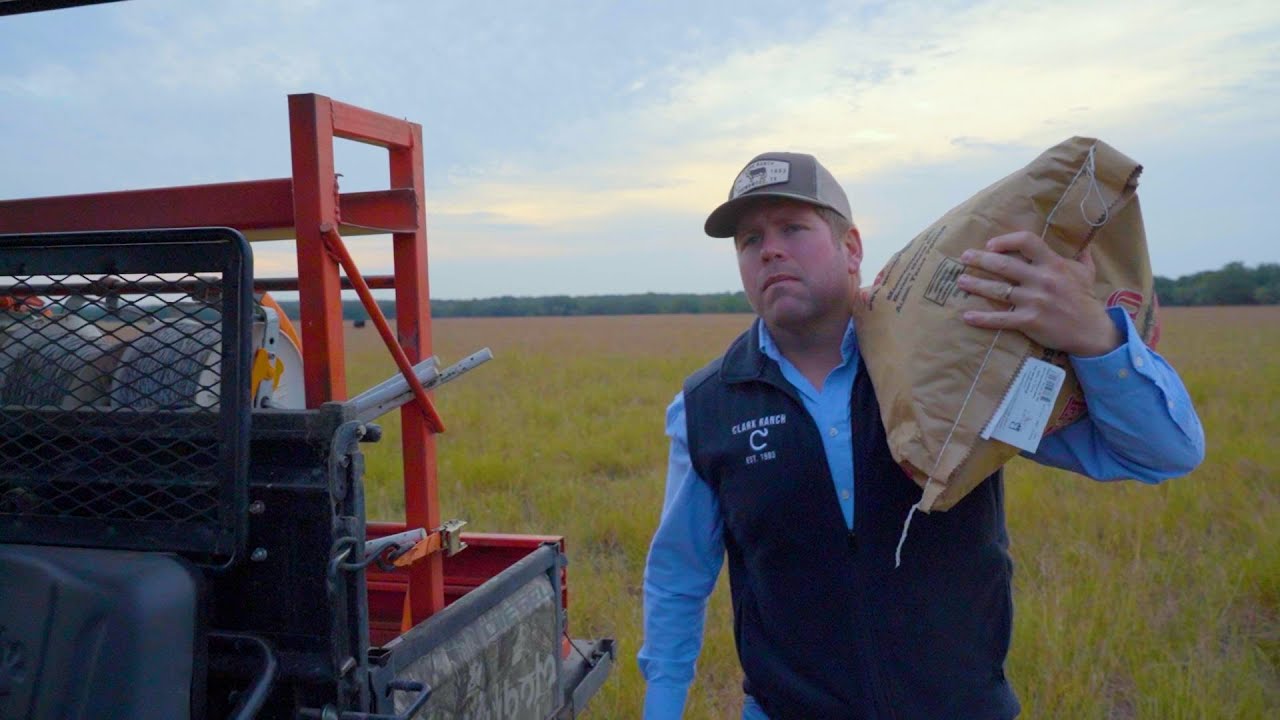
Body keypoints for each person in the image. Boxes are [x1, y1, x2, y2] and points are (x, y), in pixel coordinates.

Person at [638, 151, 1205, 719]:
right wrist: (662, 707)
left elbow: (1163, 454)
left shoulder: (957, 364)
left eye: (792, 228)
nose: (770, 250)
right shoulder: (707, 406)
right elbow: (679, 575)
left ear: (852, 247)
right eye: (748, 240)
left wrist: (1095, 336)